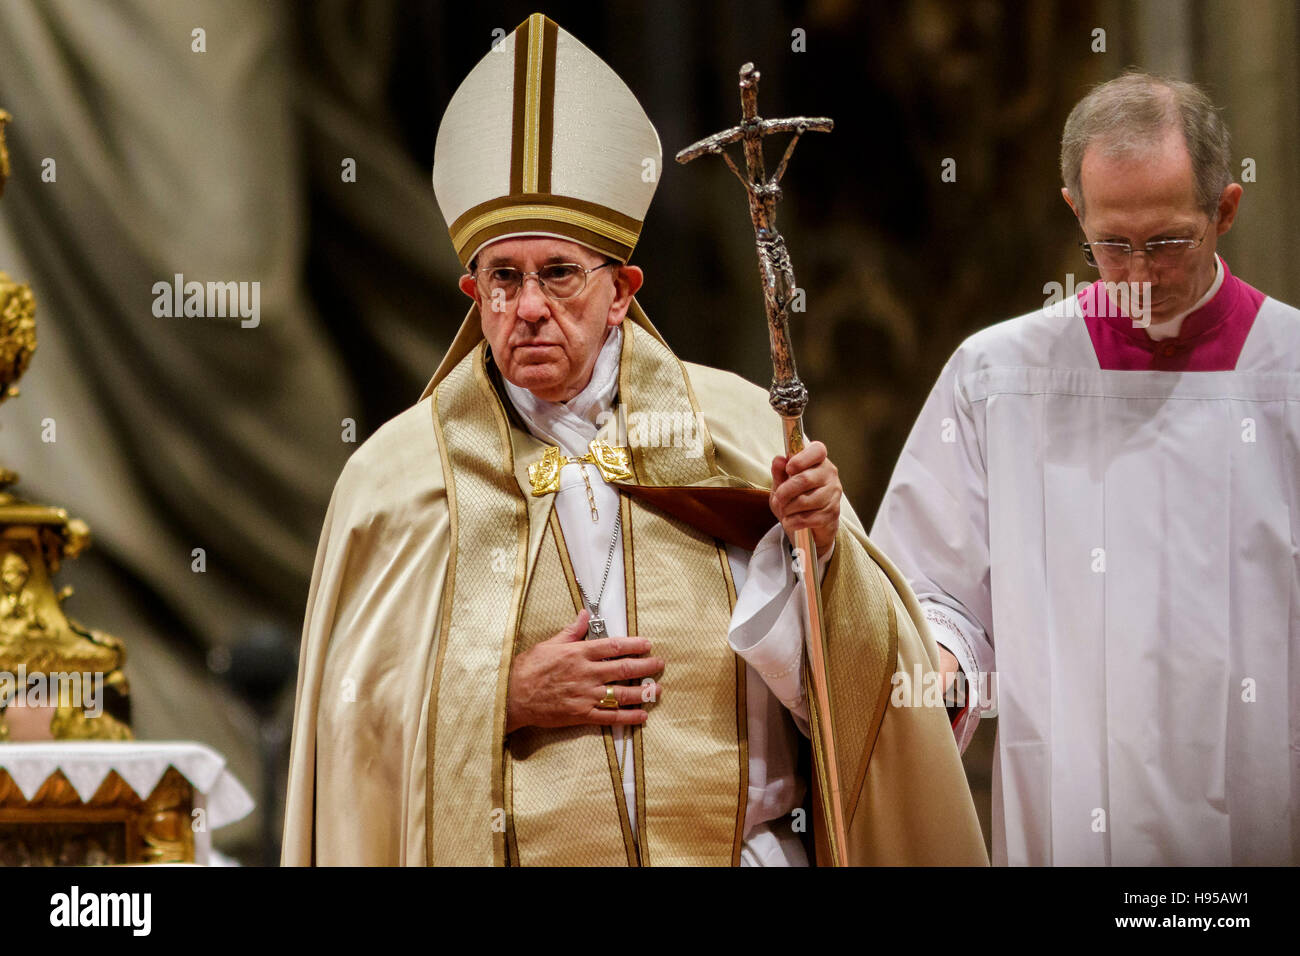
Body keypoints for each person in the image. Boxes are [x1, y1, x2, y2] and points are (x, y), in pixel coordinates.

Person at [282, 13, 987, 866]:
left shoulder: (733, 430)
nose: (528, 307)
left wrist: (822, 557)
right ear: (473, 291)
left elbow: (857, 702)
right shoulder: (397, 479)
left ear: (621, 291)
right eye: (503, 279)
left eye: (558, 275)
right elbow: (348, 721)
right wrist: (500, 695)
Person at [872, 71, 1299, 865]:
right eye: (1111, 244)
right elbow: (929, 590)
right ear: (1076, 211)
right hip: (1075, 814)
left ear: (1226, 211)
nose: (1139, 275)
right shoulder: (998, 378)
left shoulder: (1291, 374)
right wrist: (939, 666)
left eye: (1168, 242)